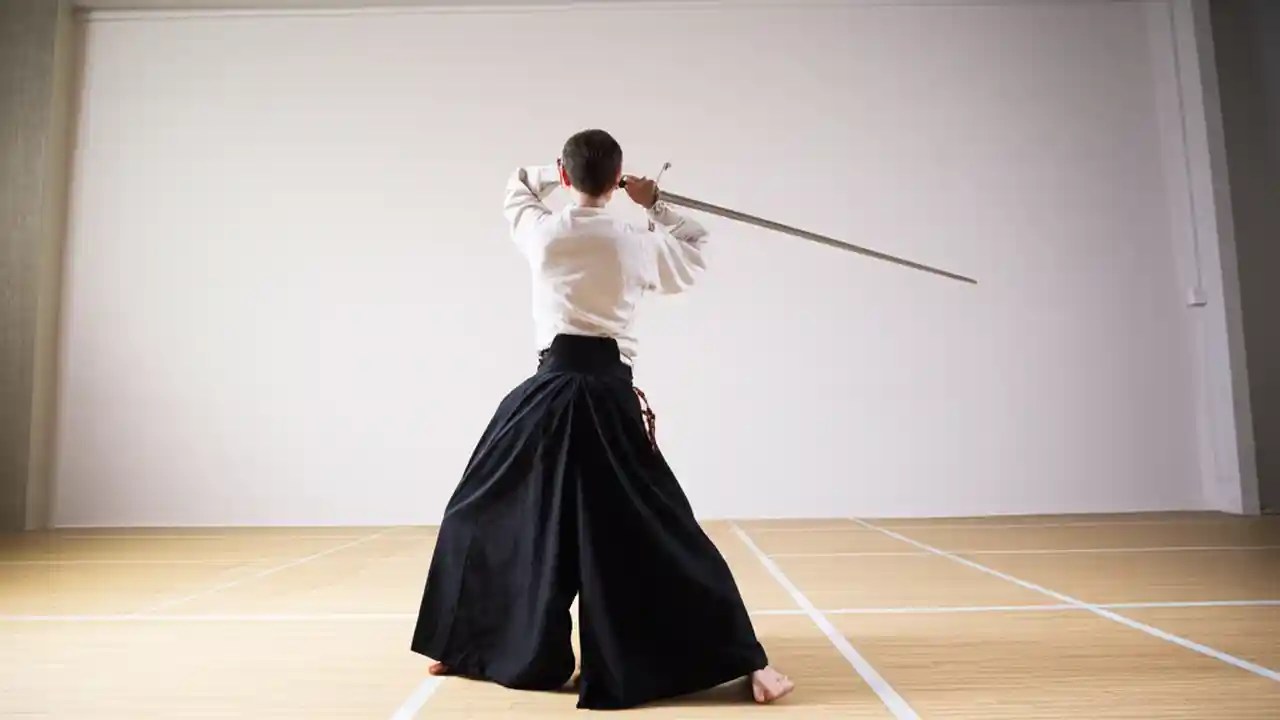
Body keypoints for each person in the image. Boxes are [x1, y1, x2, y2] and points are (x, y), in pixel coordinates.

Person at [409, 128, 794, 710]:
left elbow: (516, 185)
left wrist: (562, 172)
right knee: (660, 527)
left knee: (482, 511)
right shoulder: (639, 239)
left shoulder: (542, 233)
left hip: (551, 397)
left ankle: (471, 644)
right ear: (616, 180)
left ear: (565, 178)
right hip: (603, 397)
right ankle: (474, 645)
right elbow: (694, 246)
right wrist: (653, 201)